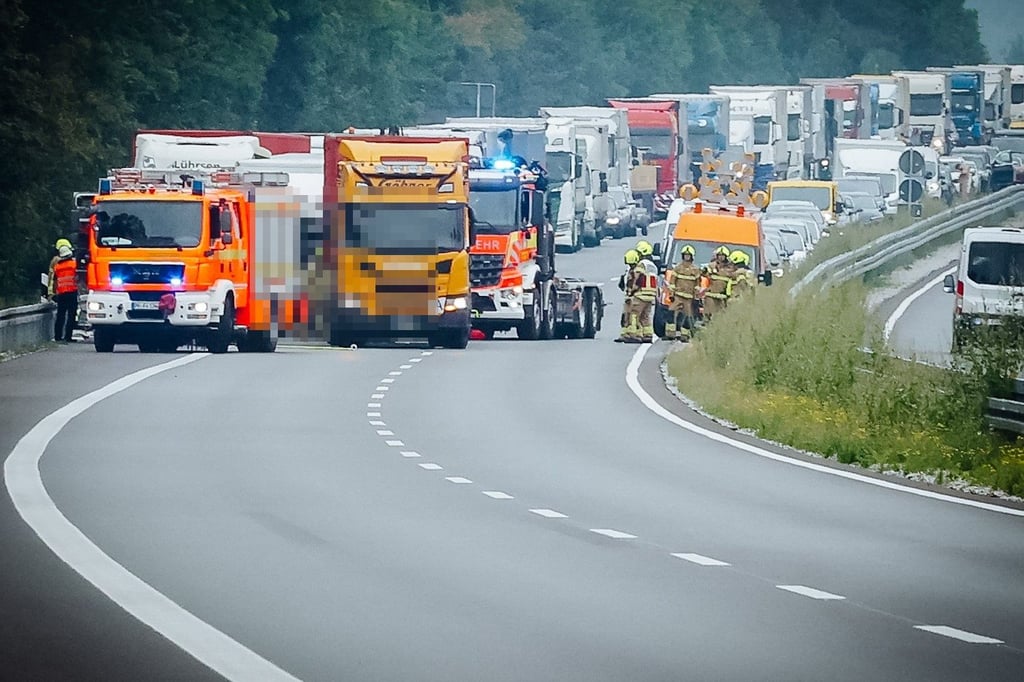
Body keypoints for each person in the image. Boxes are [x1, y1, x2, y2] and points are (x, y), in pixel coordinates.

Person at [665, 244, 701, 342]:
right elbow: (672, 282)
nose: (686, 257)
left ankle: (685, 335)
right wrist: (672, 294)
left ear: (692, 257)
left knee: (688, 316)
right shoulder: (678, 268)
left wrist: (696, 298)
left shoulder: (696, 269)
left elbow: (697, 285)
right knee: (671, 312)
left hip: (689, 298)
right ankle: (670, 333)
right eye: (685, 255)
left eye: (688, 255)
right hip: (678, 296)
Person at [632, 240, 658, 342]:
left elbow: (637, 277)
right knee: (646, 316)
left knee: (635, 314)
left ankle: (636, 335)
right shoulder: (653, 266)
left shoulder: (641, 264)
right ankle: (648, 335)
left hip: (641, 293)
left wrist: (632, 289)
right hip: (651, 295)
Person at [51, 243, 78, 342]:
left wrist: (54, 293)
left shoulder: (57, 266)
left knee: (60, 316)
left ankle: (58, 337)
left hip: (61, 293)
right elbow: (78, 276)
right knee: (71, 315)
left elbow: (55, 281)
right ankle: (68, 337)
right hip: (72, 292)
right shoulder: (74, 264)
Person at [615, 249, 641, 343]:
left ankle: (632, 335)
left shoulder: (634, 272)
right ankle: (625, 334)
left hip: (632, 297)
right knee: (626, 316)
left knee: (632, 316)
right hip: (630, 296)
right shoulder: (631, 271)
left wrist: (631, 293)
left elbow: (634, 285)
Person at [702, 245, 734, 320]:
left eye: (723, 255)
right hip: (710, 295)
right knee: (708, 315)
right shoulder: (711, 266)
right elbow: (702, 274)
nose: (721, 257)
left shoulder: (731, 269)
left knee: (720, 317)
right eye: (719, 255)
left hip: (722, 297)